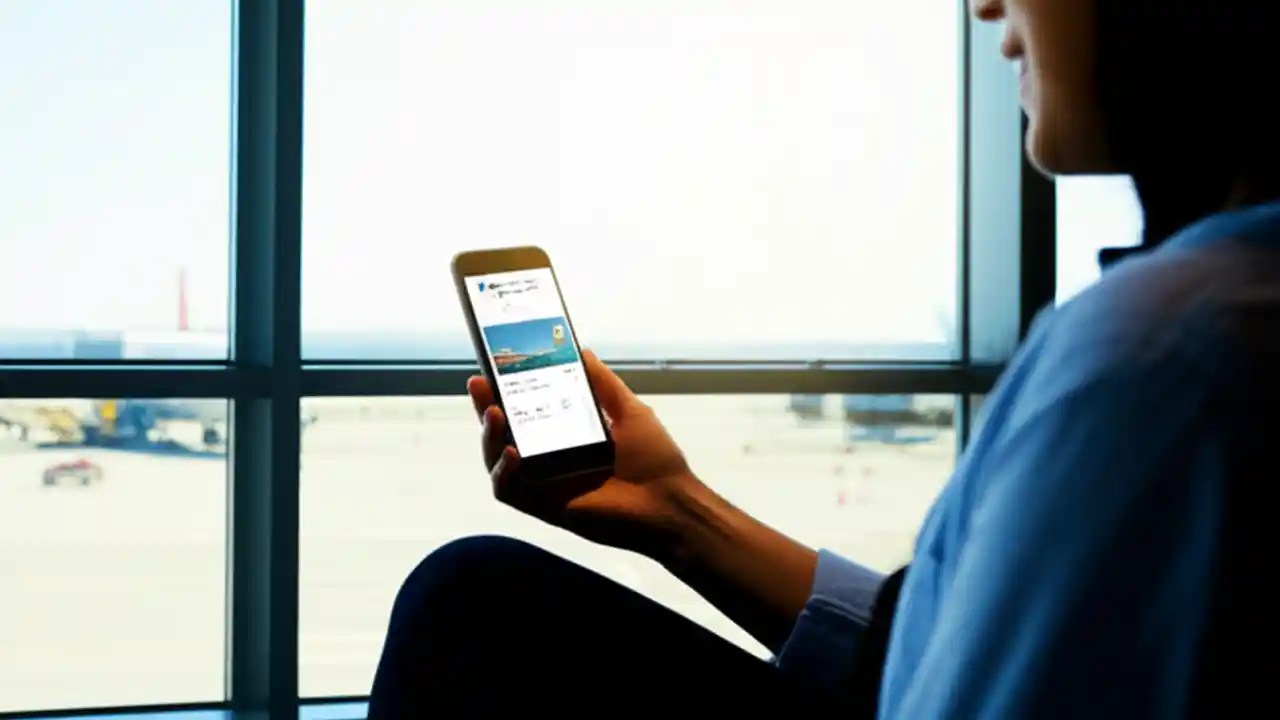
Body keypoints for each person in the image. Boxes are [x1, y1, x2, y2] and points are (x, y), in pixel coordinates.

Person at [368, 0, 1280, 716]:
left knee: (469, 607)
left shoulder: (1163, 355)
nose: (985, 6)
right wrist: (676, 508)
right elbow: (928, 644)